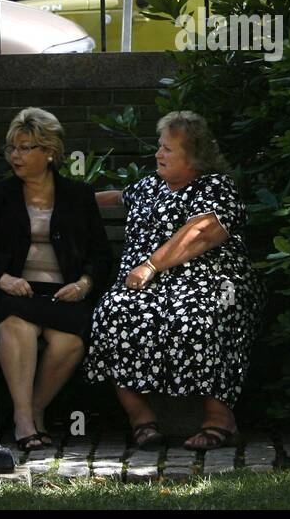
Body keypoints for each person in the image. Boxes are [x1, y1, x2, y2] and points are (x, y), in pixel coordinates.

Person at [86, 111, 263, 450]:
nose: (158, 154)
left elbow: (200, 232)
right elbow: (116, 197)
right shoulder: (151, 185)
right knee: (113, 312)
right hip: (148, 287)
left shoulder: (216, 187)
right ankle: (141, 419)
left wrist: (151, 266)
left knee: (198, 316)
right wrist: (64, 200)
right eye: (159, 146)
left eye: (167, 149)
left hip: (211, 282)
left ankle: (219, 418)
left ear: (193, 156)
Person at [0, 108, 112, 451]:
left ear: (49, 152)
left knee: (69, 343)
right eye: (12, 148)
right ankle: (24, 420)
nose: (16, 156)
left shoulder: (78, 195)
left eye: (26, 147)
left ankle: (35, 410)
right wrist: (2, 279)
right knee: (16, 327)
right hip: (17, 292)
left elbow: (101, 255)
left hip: (63, 296)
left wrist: (84, 284)